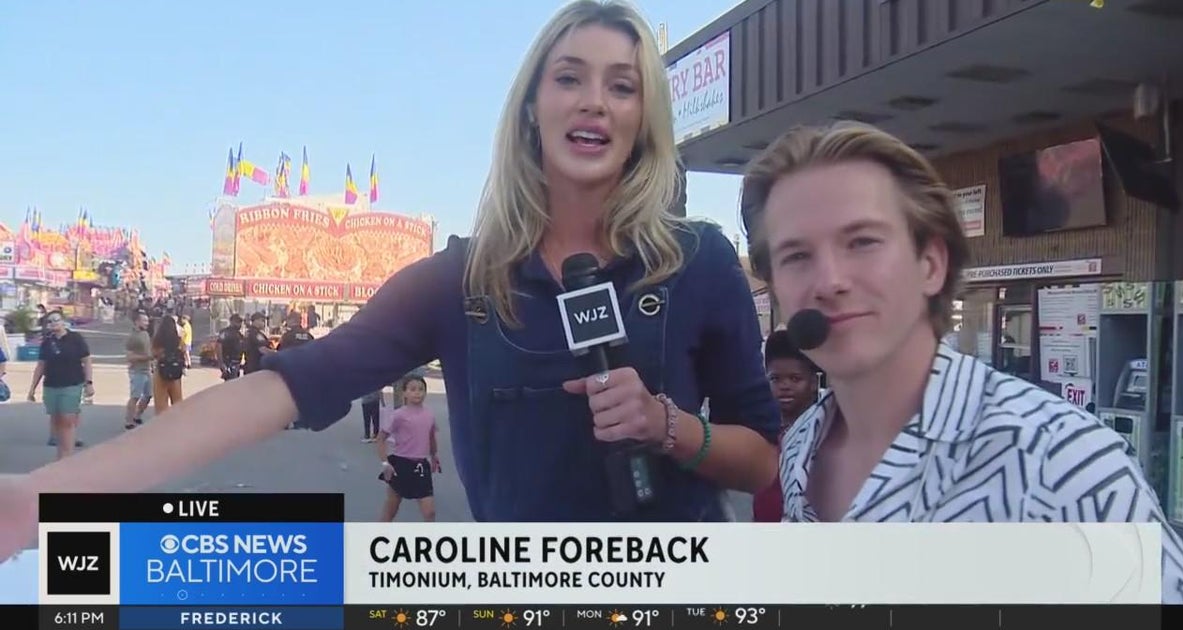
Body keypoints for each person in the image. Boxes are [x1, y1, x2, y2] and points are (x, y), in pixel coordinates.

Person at [0, 0, 776, 557]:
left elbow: (766, 458)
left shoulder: (701, 263)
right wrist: (48, 498)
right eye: (570, 77)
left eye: (623, 85)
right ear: (532, 108)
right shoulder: (455, 283)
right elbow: (284, 388)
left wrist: (669, 428)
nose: (595, 102)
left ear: (645, 119)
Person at [739, 122, 1183, 603]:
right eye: (796, 255)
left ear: (931, 264)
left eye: (862, 242)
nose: (829, 280)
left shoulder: (1059, 460)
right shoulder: (801, 445)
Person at [752, 330, 819, 523]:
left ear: (814, 382)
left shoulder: (824, 435)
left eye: (795, 379)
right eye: (775, 379)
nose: (785, 386)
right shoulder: (761, 433)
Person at [26, 311, 93, 460]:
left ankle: (66, 457)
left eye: (57, 320)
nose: (53, 323)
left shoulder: (75, 339)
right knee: (57, 421)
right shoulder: (47, 342)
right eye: (50, 321)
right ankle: (60, 454)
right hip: (51, 386)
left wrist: (89, 383)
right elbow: (41, 366)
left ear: (64, 322)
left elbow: (87, 361)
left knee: (67, 420)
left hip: (72, 384)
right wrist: (32, 389)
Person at [377, 375, 439, 522]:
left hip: (421, 466)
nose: (417, 393)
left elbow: (431, 437)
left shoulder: (429, 415)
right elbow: (380, 439)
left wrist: (434, 456)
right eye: (412, 389)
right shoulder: (398, 415)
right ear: (404, 393)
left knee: (430, 512)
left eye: (421, 389)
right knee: (391, 510)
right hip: (401, 465)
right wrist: (386, 463)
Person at [150, 315, 186, 414]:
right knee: (177, 401)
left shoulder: (157, 340)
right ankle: (178, 422)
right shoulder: (178, 339)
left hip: (161, 372)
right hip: (175, 372)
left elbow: (153, 354)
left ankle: (163, 425)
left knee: (161, 404)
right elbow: (183, 350)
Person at [124, 312, 153, 429]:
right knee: (135, 396)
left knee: (148, 395)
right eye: (144, 321)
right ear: (137, 322)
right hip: (137, 371)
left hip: (147, 369)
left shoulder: (145, 334)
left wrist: (152, 362)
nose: (147, 323)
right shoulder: (132, 337)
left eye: (147, 320)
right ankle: (128, 421)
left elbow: (149, 351)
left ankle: (137, 415)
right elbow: (130, 357)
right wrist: (147, 358)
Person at [216, 314, 245, 380]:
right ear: (231, 321)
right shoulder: (225, 333)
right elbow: (219, 347)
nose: (239, 324)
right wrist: (221, 363)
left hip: (237, 362)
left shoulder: (239, 334)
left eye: (240, 322)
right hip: (228, 362)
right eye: (237, 322)